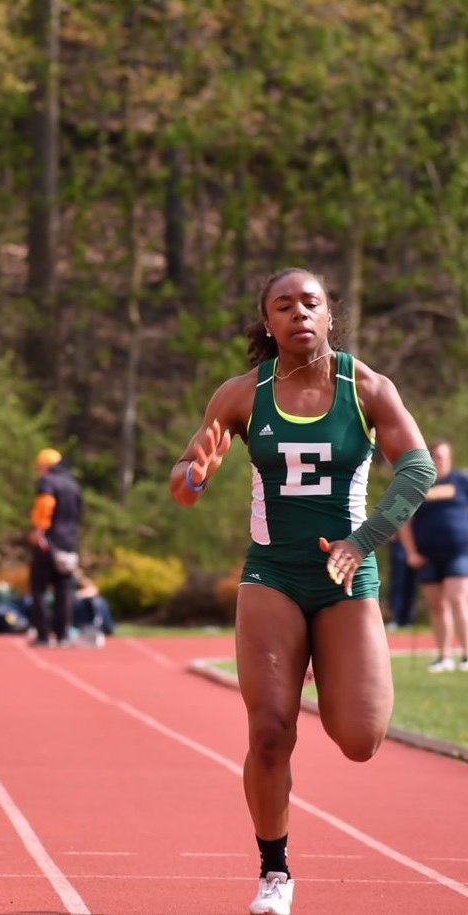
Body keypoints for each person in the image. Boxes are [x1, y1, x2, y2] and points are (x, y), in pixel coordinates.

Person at [170, 267, 433, 915]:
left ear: (329, 315)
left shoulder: (366, 386)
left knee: (360, 737)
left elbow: (419, 467)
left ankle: (326, 664)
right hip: (272, 577)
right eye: (283, 305)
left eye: (309, 303)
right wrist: (192, 475)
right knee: (268, 732)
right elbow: (184, 478)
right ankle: (274, 871)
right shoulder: (240, 394)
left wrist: (363, 540)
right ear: (267, 322)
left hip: (349, 574)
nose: (298, 314)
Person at [400, 439, 468, 671]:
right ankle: (444, 656)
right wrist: (411, 552)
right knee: (436, 605)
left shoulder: (461, 480)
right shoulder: (418, 484)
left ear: (449, 458)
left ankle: (467, 655)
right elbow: (404, 521)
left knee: (458, 600)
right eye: (434, 456)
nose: (437, 460)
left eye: (441, 456)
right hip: (427, 555)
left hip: (459, 552)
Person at [27, 448, 83, 646]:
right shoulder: (73, 484)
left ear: (45, 466)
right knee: (64, 589)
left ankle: (43, 635)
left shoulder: (47, 481)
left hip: (48, 541)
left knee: (39, 588)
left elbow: (45, 504)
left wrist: (39, 530)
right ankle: (63, 634)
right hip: (68, 542)